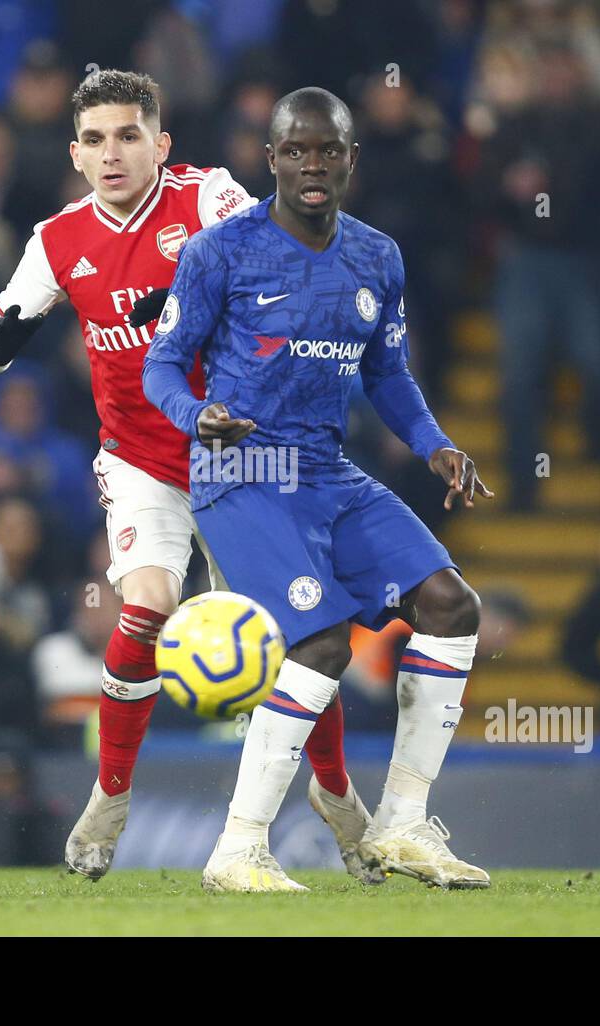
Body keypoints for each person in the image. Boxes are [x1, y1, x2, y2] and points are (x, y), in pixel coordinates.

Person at [0, 70, 353, 881]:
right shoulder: (57, 240)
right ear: (76, 155)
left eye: (128, 135)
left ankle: (334, 788)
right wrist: (2, 338)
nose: (112, 153)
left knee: (296, 628)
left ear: (161, 144)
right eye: (95, 140)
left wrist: (188, 294)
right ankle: (110, 798)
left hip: (239, 456)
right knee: (147, 606)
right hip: (141, 459)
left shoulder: (206, 197)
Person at [144, 87, 493, 892]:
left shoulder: (378, 256)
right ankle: (237, 849)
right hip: (242, 473)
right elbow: (161, 364)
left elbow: (387, 373)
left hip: (327, 470)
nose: (312, 165)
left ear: (350, 160)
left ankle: (402, 825)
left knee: (451, 606)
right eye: (295, 151)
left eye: (327, 150)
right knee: (322, 644)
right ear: (269, 159)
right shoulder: (219, 252)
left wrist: (435, 445)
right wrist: (197, 417)